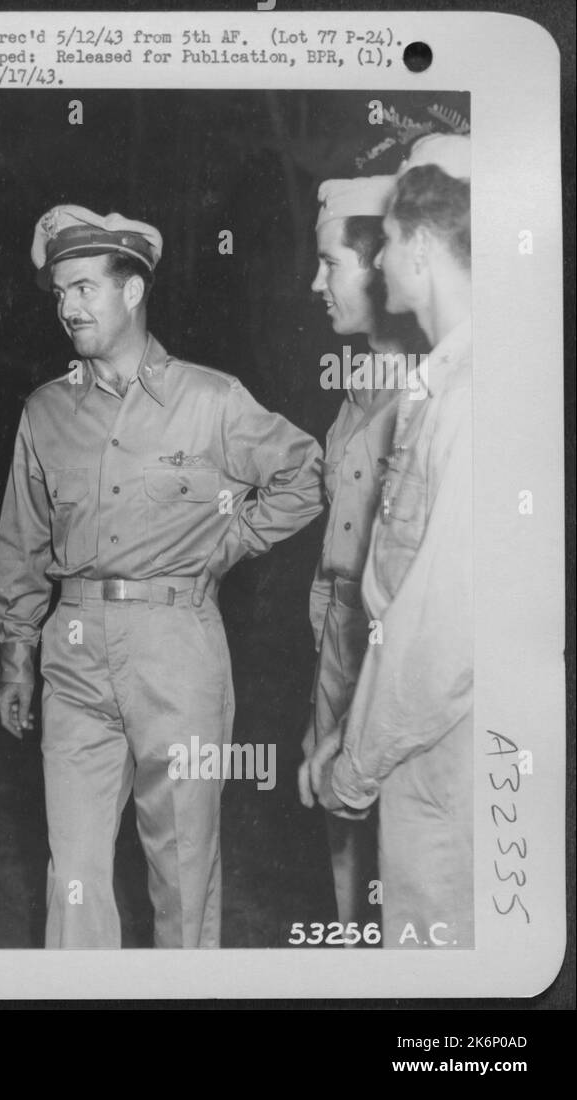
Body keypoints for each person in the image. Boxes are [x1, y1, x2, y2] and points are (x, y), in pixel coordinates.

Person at [0, 205, 324, 949]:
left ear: (132, 290)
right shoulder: (45, 410)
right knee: (71, 875)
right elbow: (21, 542)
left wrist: (232, 541)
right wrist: (16, 652)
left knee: (182, 868)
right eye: (59, 294)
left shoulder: (210, 399)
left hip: (176, 648)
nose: (68, 307)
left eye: (83, 288)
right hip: (72, 654)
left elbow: (305, 471)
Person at [309, 135, 473, 948]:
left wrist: (353, 759)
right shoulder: (415, 389)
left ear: (408, 246)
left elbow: (440, 629)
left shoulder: (454, 394)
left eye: (335, 263)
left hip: (428, 717)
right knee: (377, 907)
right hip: (380, 683)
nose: (325, 284)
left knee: (429, 918)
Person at [297, 174, 417, 930]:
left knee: (396, 813)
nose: (316, 284)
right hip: (339, 627)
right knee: (335, 809)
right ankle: (349, 957)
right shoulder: (357, 392)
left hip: (394, 632)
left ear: (378, 265)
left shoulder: (426, 394)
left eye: (329, 264)